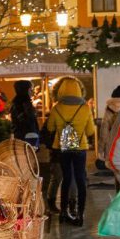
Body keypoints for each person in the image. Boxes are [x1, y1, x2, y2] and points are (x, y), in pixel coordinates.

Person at [44, 75, 95, 226]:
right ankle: (80, 214)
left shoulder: (56, 108)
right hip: (80, 148)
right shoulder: (85, 108)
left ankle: (64, 213)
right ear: (79, 90)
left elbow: (50, 128)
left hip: (63, 148)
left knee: (66, 179)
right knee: (80, 179)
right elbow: (91, 131)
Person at [97, 86, 120, 169]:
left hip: (113, 145)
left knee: (117, 172)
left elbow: (104, 133)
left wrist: (101, 151)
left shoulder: (109, 109)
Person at [9, 80, 40, 147]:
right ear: (26, 90)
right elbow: (29, 120)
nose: (32, 92)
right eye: (31, 90)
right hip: (28, 136)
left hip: (19, 135)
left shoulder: (15, 102)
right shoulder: (25, 103)